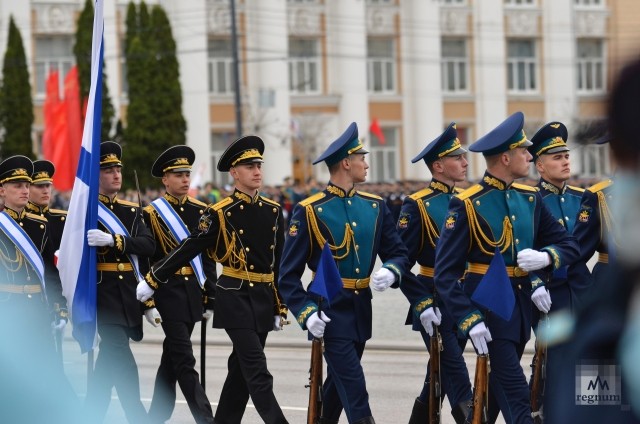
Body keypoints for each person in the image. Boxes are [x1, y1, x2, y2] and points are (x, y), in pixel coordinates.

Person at [434, 112, 579, 424]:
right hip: (488, 312)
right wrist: (468, 318)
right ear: (505, 158)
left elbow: (569, 244)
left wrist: (546, 258)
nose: (529, 156)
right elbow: (444, 274)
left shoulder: (530, 198)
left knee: (492, 402)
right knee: (518, 398)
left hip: (522, 309)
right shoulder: (468, 204)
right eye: (523, 151)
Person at [137, 135, 289, 424]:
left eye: (259, 165)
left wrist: (279, 304)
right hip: (235, 299)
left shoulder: (272, 210)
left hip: (262, 300)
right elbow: (190, 248)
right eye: (249, 167)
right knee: (258, 371)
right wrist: (154, 278)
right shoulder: (219, 213)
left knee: (239, 376)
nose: (257, 171)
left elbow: (277, 264)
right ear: (234, 173)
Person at [278, 122, 410, 424]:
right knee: (355, 389)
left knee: (338, 390)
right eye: (362, 158)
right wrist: (306, 313)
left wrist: (392, 270)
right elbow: (287, 276)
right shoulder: (310, 210)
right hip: (328, 310)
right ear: (346, 163)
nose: (366, 164)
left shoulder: (375, 207)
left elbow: (398, 252)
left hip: (361, 307)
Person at [397, 123, 473, 423]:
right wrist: (421, 302)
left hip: (464, 299)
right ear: (439, 166)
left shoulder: (468, 200)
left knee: (438, 375)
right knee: (456, 372)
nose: (465, 162)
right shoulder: (417, 205)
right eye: (458, 158)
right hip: (435, 300)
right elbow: (401, 262)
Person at [83, 141, 158, 423]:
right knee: (122, 357)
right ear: (96, 175)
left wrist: (114, 240)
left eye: (118, 169)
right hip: (101, 296)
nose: (116, 174)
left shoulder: (131, 211)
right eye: (108, 170)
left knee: (107, 365)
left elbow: (148, 246)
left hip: (127, 295)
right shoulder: (84, 211)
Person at [0, 155, 77, 423]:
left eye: (26, 185)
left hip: (37, 310)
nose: (24, 190)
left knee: (48, 372)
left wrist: (59, 307)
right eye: (17, 185)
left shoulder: (40, 225)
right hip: (8, 310)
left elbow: (49, 272)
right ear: (2, 190)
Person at [143, 146, 217, 424]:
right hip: (167, 293)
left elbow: (208, 258)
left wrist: (210, 296)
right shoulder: (151, 214)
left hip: (192, 292)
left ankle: (154, 417)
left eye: (187, 174)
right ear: (165, 179)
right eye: (178, 175)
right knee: (185, 360)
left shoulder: (202, 211)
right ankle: (205, 418)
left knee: (171, 359)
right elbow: (148, 260)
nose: (185, 179)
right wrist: (149, 301)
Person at [528, 122, 588, 312]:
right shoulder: (530, 200)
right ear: (540, 165)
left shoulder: (583, 198)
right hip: (547, 291)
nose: (566, 162)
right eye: (557, 157)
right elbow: (519, 248)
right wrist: (534, 282)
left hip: (582, 288)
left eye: (566, 156)